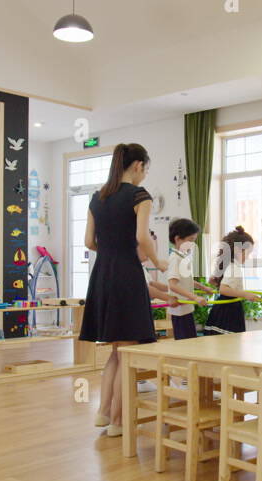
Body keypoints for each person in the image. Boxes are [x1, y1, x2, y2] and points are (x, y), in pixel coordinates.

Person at [79, 143, 165, 437]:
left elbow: (89, 242)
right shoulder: (139, 196)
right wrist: (158, 262)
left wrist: (112, 250)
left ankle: (103, 412)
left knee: (116, 352)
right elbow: (142, 236)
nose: (144, 175)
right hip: (126, 275)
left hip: (102, 274)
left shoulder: (97, 197)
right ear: (139, 165)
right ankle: (117, 422)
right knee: (126, 352)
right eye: (146, 169)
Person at [203, 226, 262, 335]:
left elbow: (212, 281)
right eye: (247, 253)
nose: (248, 257)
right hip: (229, 310)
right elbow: (223, 289)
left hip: (223, 308)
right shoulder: (234, 267)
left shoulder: (227, 263)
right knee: (230, 345)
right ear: (238, 250)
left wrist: (217, 282)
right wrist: (245, 294)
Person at [165, 218, 209, 340]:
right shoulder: (175, 259)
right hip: (180, 310)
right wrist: (195, 297)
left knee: (190, 341)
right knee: (185, 343)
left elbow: (186, 280)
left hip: (186, 309)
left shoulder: (182, 257)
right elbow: (173, 285)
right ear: (178, 239)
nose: (192, 244)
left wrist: (202, 287)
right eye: (190, 240)